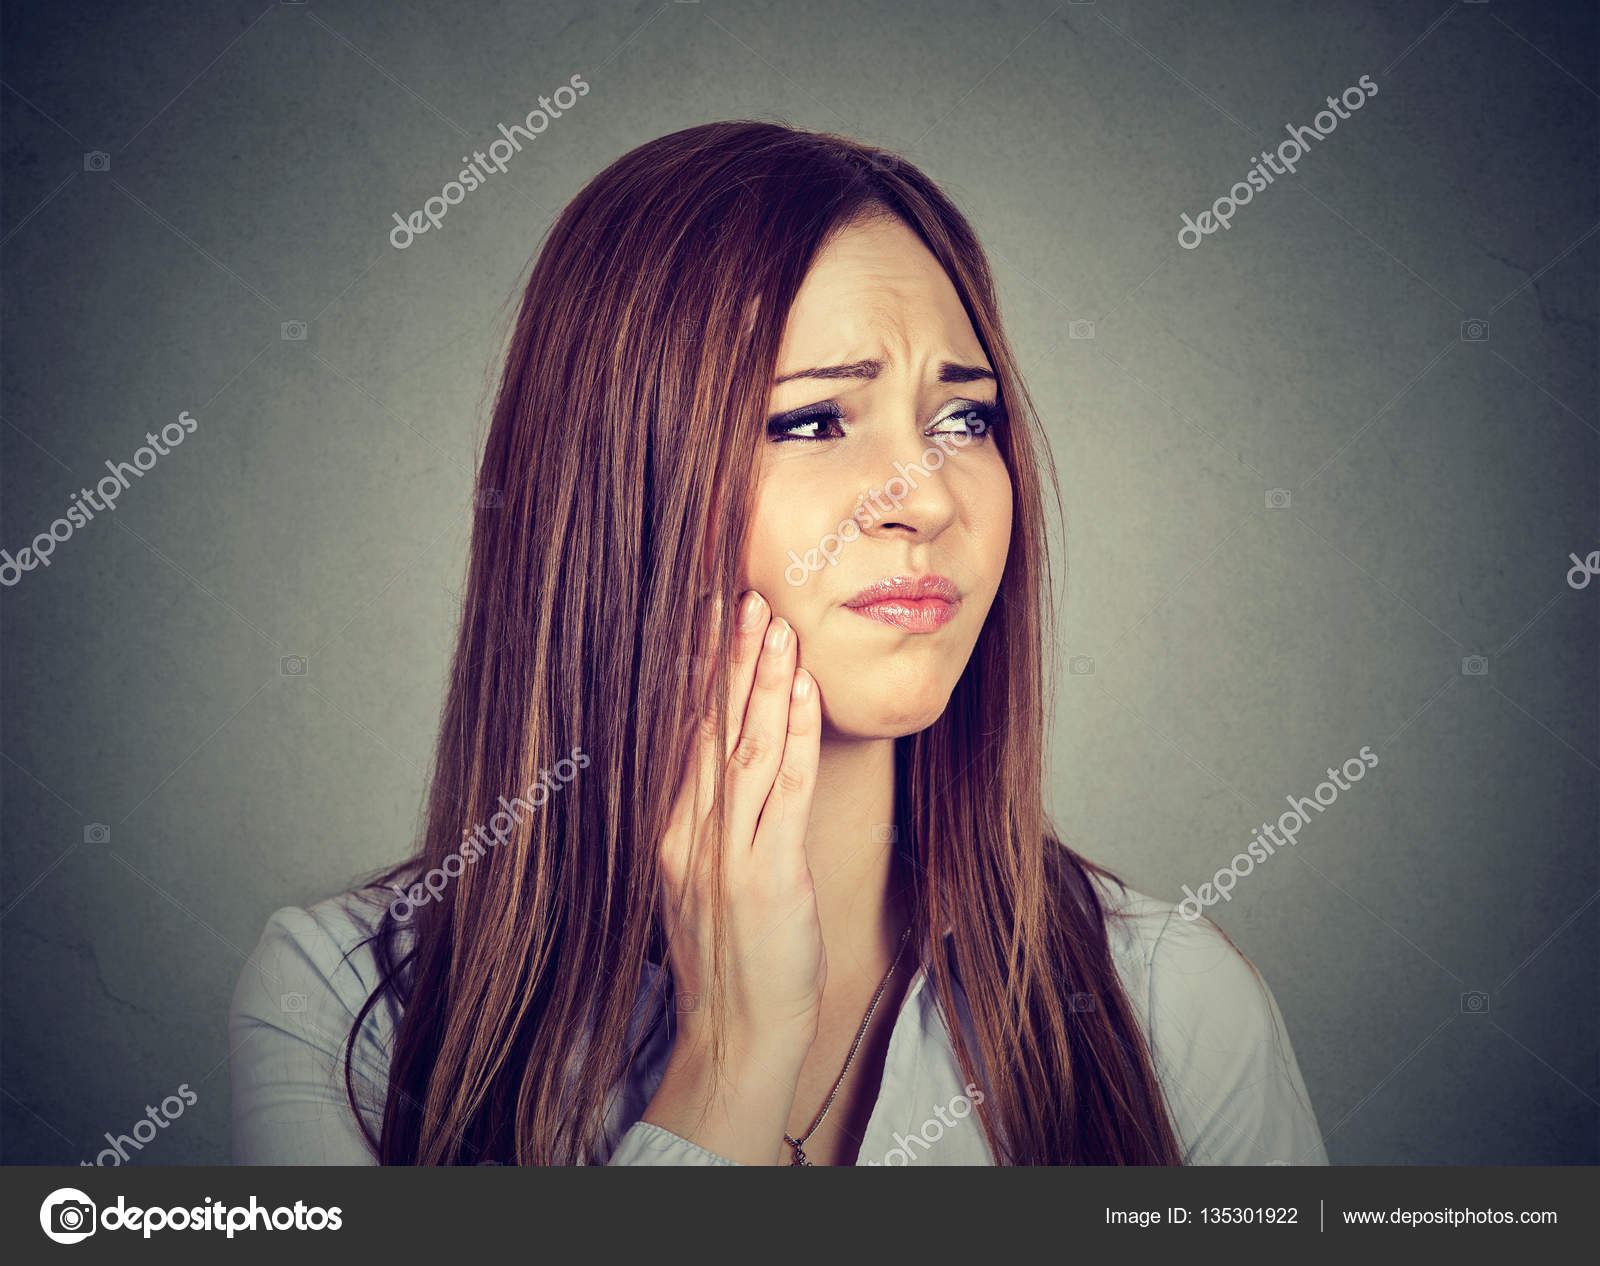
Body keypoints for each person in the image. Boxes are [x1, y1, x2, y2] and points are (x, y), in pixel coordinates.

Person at [231, 121, 1327, 1167]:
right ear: (623, 490)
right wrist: (731, 1057)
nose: (927, 501)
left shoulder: (1168, 1005)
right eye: (812, 422)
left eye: (965, 418)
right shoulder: (343, 1009)